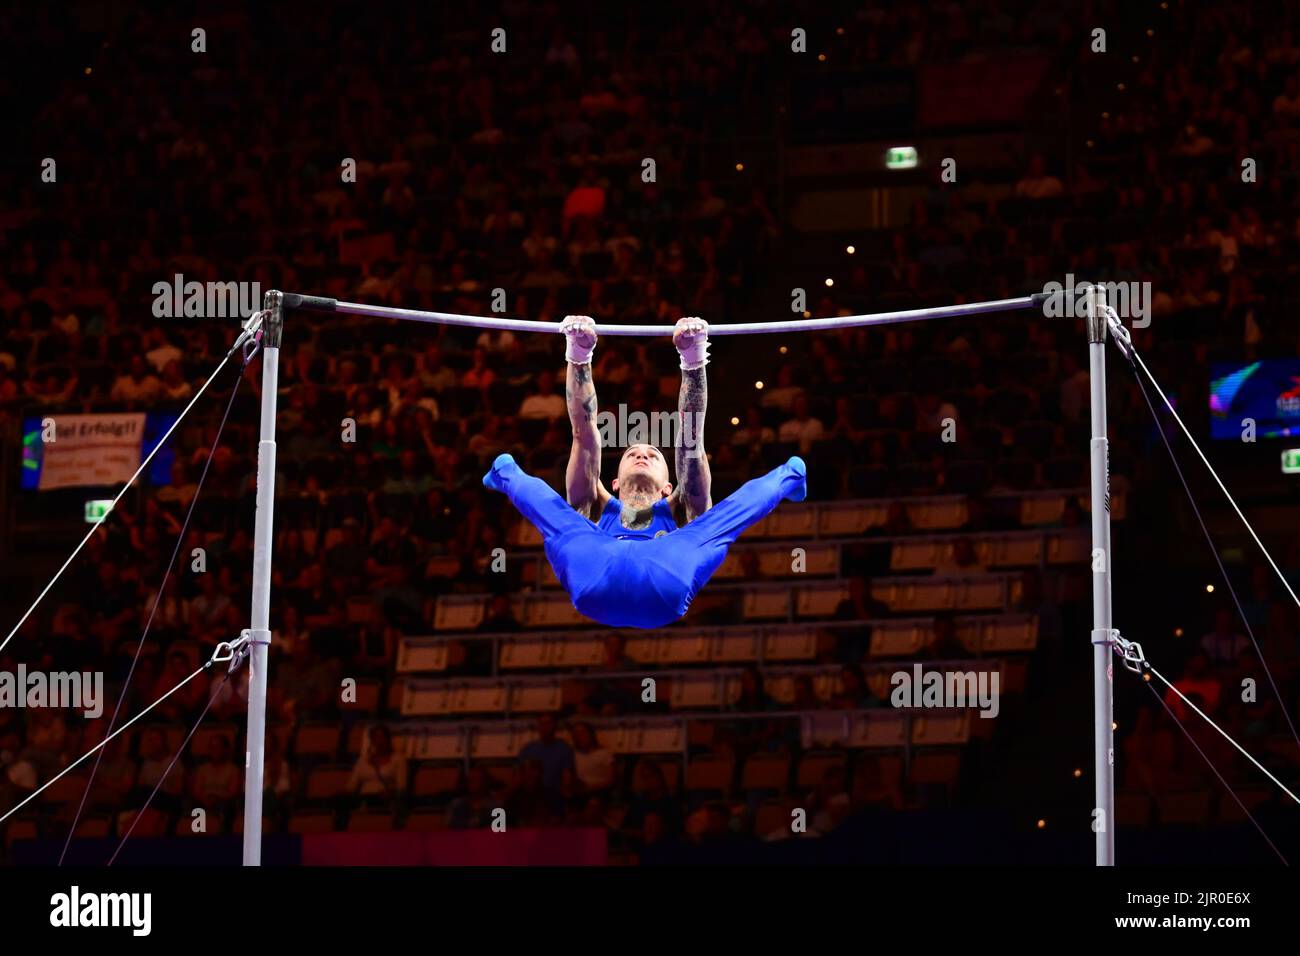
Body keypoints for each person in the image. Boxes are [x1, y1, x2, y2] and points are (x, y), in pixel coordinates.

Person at [483, 316, 806, 628]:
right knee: (562, 511)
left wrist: (691, 361)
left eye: (652, 453)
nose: (641, 453)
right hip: (598, 573)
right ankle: (504, 472)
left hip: (661, 579)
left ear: (669, 486)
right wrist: (579, 356)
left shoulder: (682, 509)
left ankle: (790, 475)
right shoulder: (594, 504)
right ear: (614, 483)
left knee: (712, 518)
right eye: (632, 453)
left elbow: (690, 443)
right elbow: (584, 431)